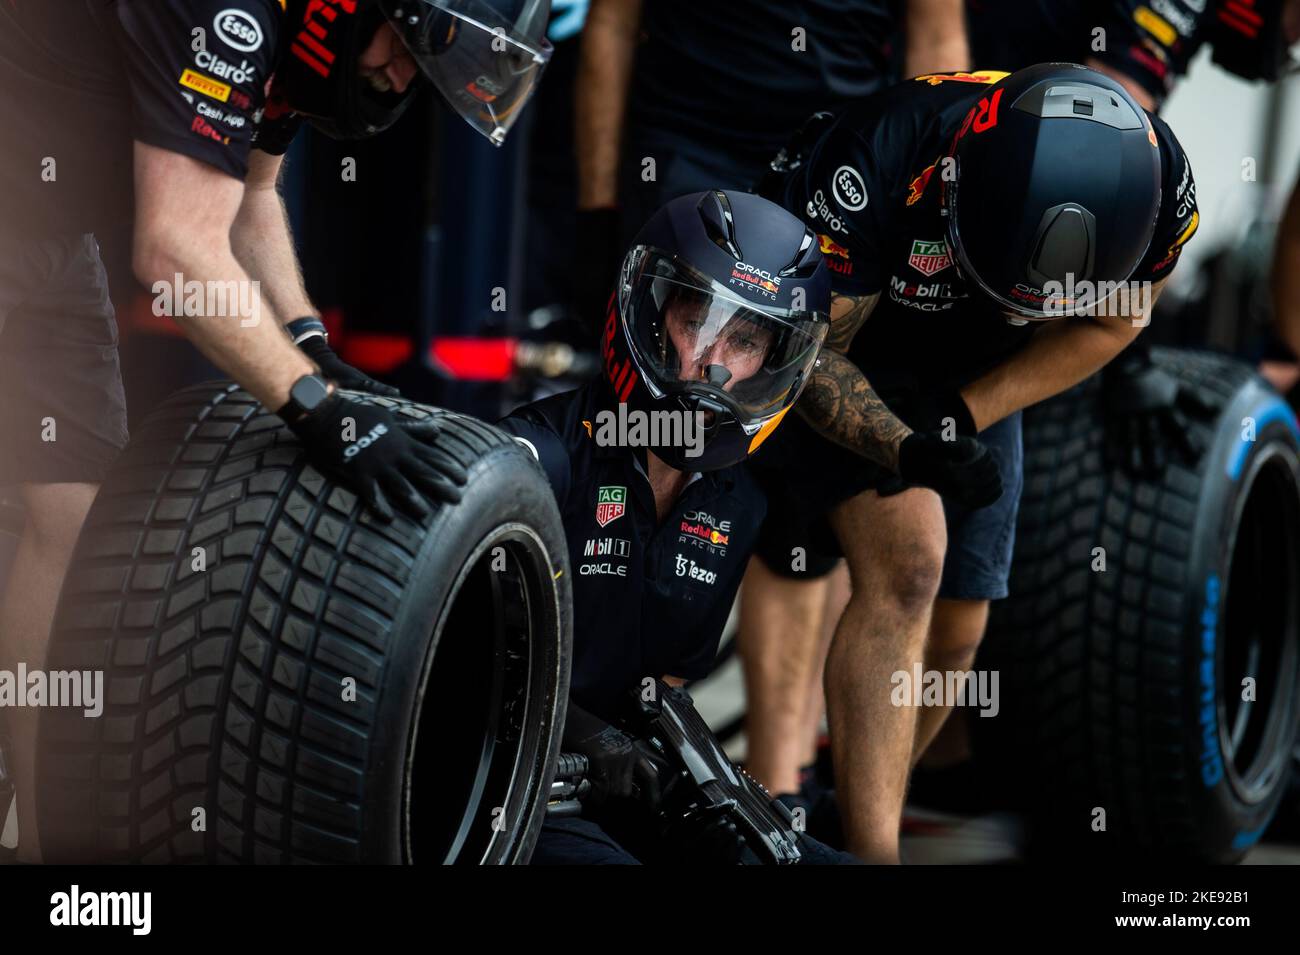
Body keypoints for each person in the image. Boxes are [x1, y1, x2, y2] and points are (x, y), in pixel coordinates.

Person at [0, 0, 554, 863]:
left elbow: (250, 198)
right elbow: (178, 251)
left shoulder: (299, 36)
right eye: (407, 52)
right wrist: (315, 411)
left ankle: (40, 856)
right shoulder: (242, 12)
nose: (402, 80)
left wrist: (311, 352)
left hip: (42, 224)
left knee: (71, 516)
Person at [741, 64, 1201, 862]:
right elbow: (812, 358)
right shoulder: (872, 160)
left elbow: (1113, 327)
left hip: (976, 370)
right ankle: (870, 856)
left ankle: (840, 809)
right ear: (955, 187)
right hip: (847, 344)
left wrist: (962, 415)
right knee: (914, 563)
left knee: (959, 633)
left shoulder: (1163, 186)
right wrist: (909, 445)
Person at [497, 189, 851, 863]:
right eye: (698, 321)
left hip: (622, 797)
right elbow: (447, 653)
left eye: (744, 340)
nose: (714, 362)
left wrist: (715, 787)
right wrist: (584, 735)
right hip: (504, 787)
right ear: (653, 316)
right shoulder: (538, 455)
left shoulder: (737, 501)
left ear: (771, 363)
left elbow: (663, 689)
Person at [570, 0, 971, 336]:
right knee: (677, 359)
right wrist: (598, 211)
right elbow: (613, 22)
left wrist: (920, 211)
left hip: (837, 164)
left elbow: (937, 43)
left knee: (810, 360)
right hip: (686, 147)